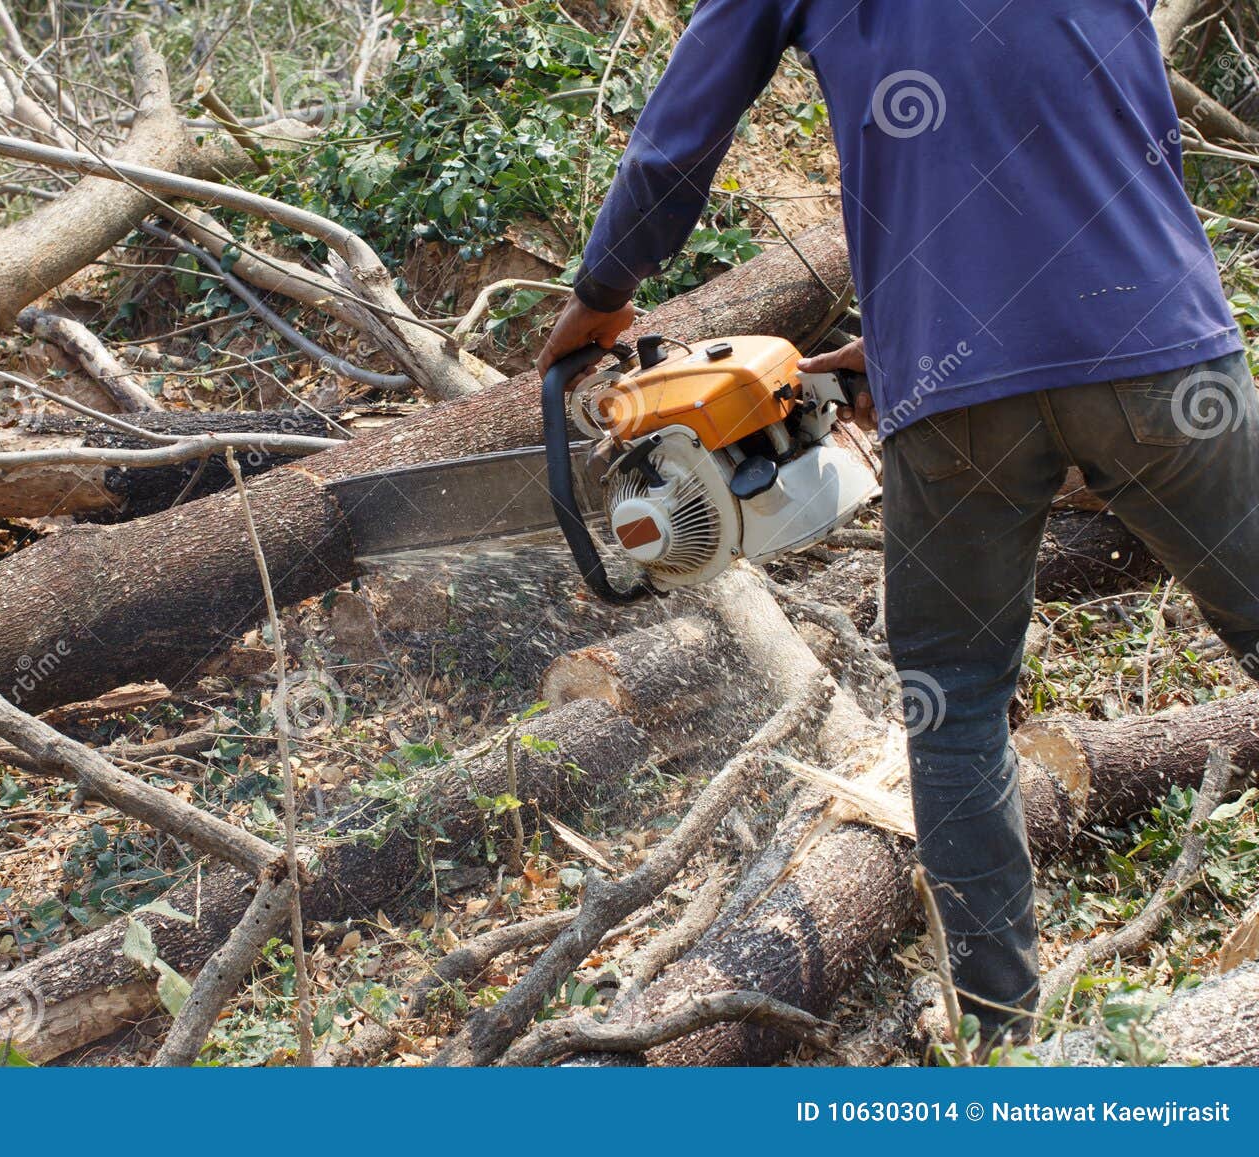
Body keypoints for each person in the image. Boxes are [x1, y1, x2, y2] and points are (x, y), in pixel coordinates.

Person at [538, 0, 1256, 1048]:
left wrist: (603, 289)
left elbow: (678, 136)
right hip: (1158, 342)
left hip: (960, 403)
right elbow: (1076, 107)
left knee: (956, 698)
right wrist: (906, 335)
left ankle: (1002, 1039)